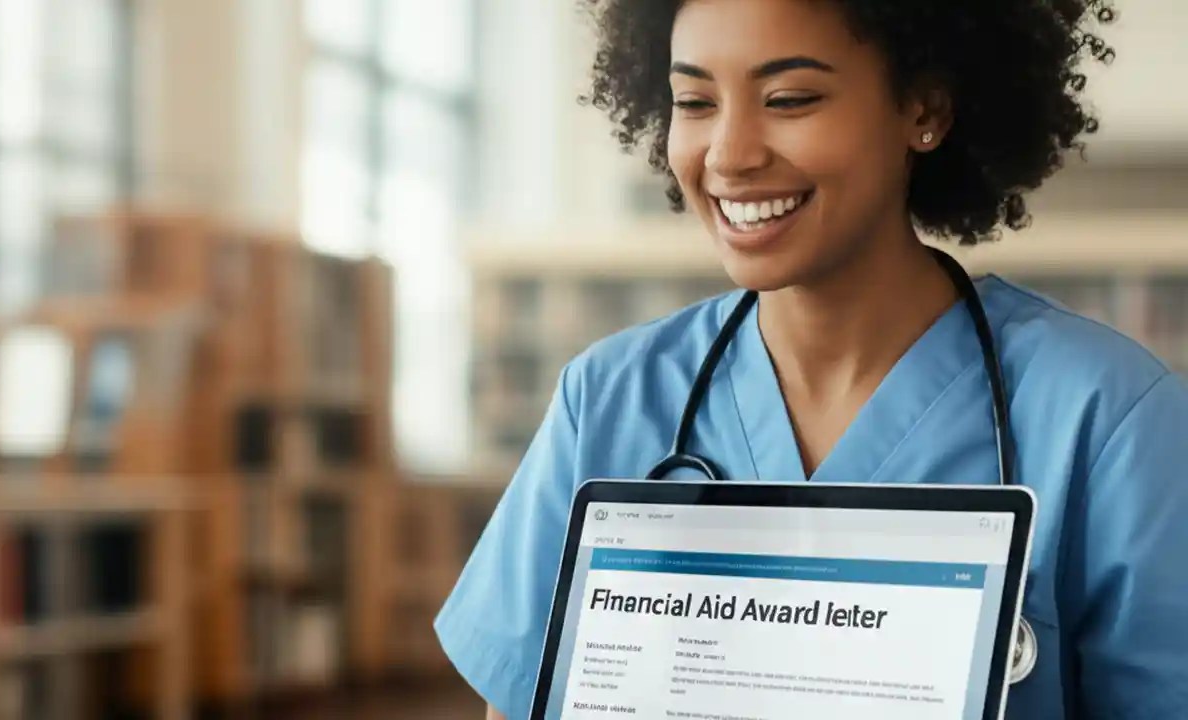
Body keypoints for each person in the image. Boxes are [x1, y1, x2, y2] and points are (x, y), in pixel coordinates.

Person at [435, 0, 1188, 717]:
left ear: (923, 111)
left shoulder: (1106, 415)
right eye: (695, 103)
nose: (730, 154)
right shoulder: (607, 399)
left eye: (790, 98)